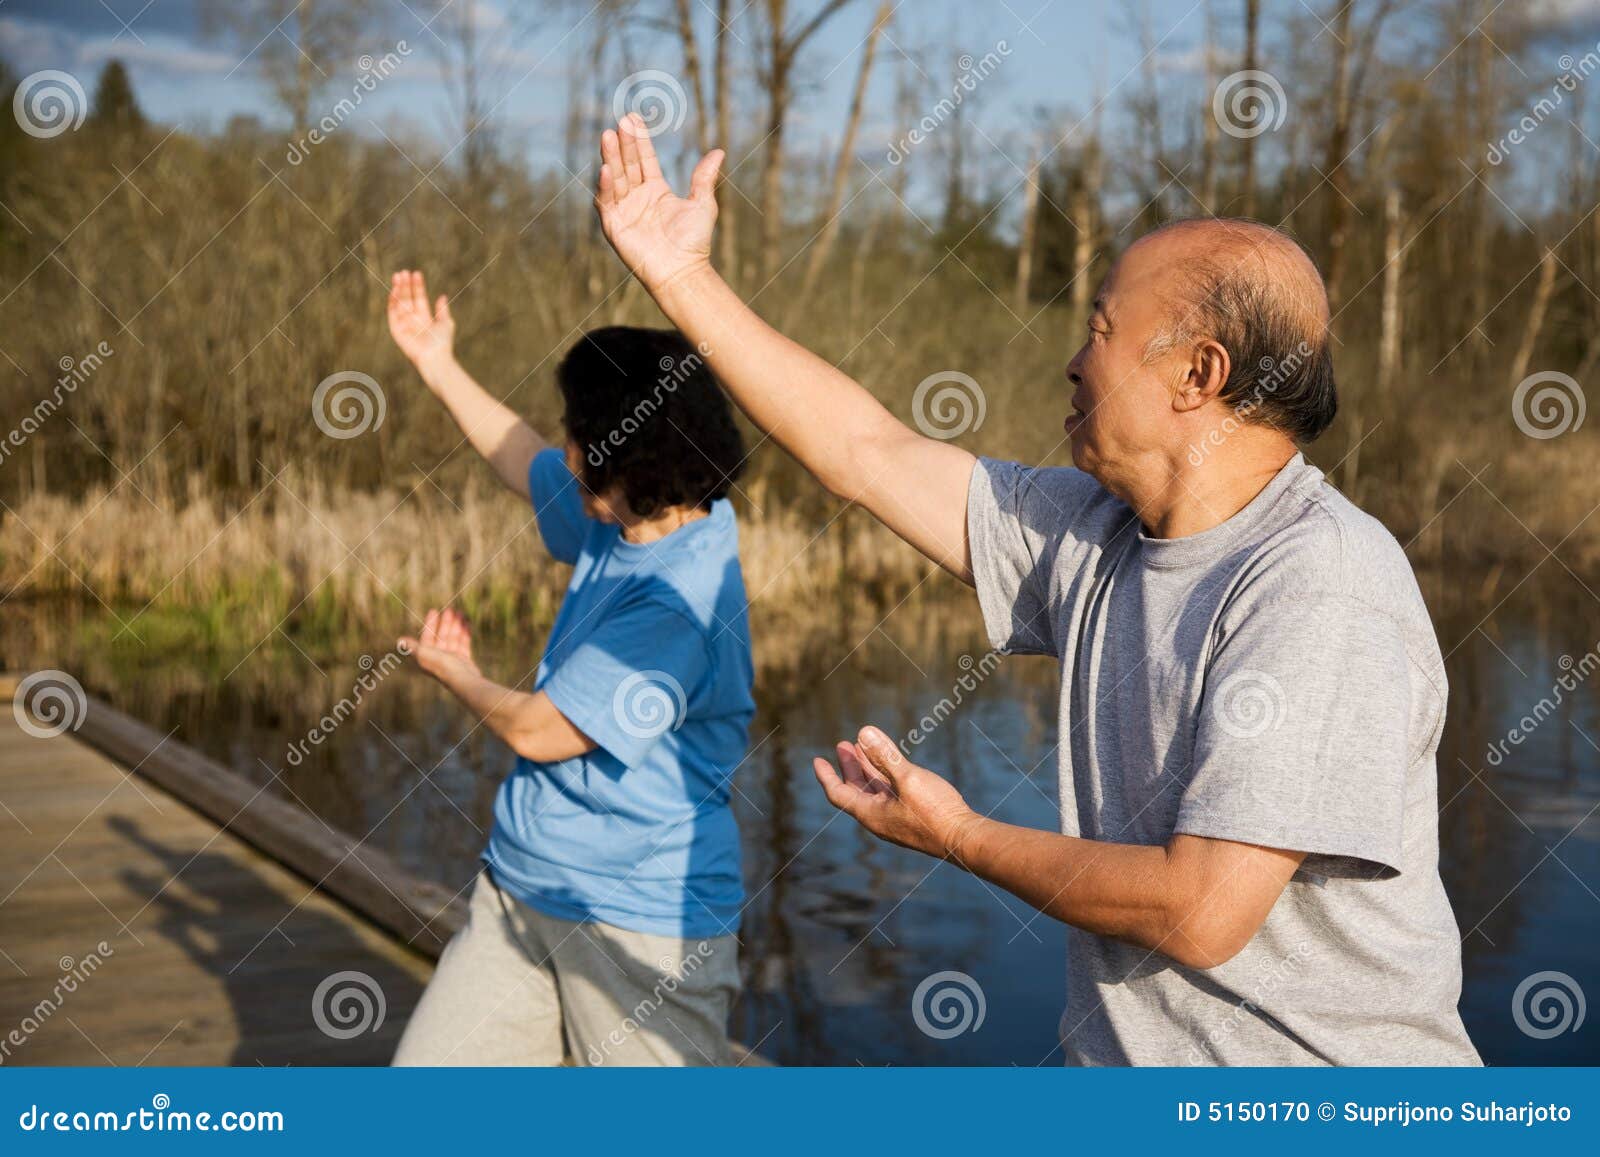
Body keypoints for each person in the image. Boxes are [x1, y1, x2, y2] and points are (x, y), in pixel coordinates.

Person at [590, 113, 1481, 1066]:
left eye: (1102, 327)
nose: (1073, 357)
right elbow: (866, 452)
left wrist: (962, 835)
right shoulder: (1094, 532)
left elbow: (1202, 910)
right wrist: (679, 277)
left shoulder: (1319, 581)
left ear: (1198, 373)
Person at [383, 270, 753, 1066]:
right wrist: (435, 361)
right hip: (521, 891)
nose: (563, 447)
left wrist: (454, 670)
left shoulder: (678, 604)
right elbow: (518, 452)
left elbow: (541, 731)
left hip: (638, 926)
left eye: (576, 431)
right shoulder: (620, 519)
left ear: (627, 453)